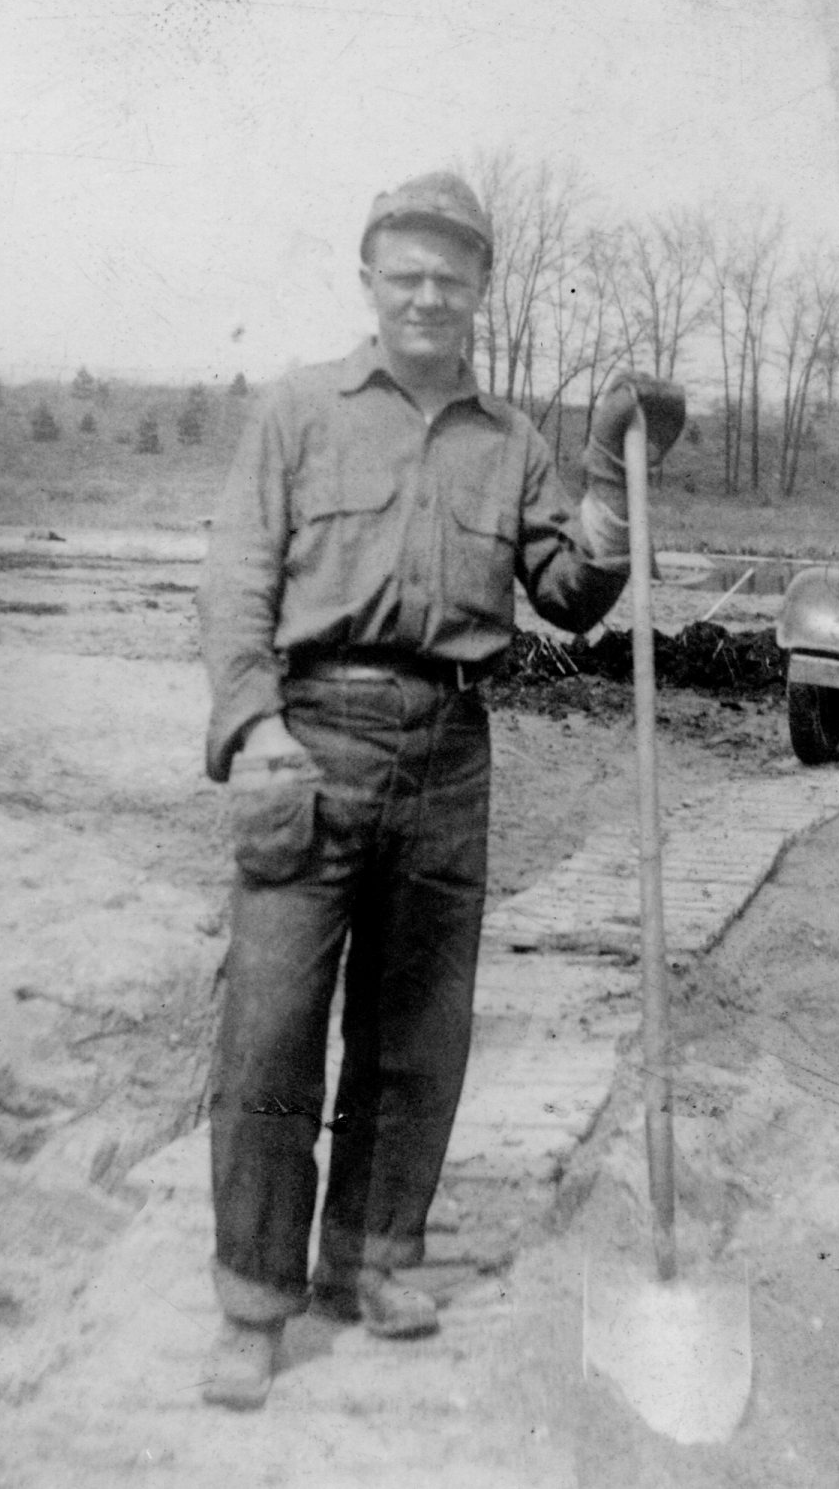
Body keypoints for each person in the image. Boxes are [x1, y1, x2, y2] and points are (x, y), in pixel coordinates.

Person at [195, 171, 684, 1410]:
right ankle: (254, 1301)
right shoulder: (299, 411)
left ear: (477, 294)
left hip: (448, 749)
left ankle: (375, 1257)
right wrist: (252, 727)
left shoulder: (507, 442)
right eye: (404, 272)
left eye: (449, 278)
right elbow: (236, 584)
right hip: (309, 740)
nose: (426, 294)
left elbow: (569, 598)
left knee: (416, 1036)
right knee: (270, 1030)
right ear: (369, 279)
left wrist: (609, 478)